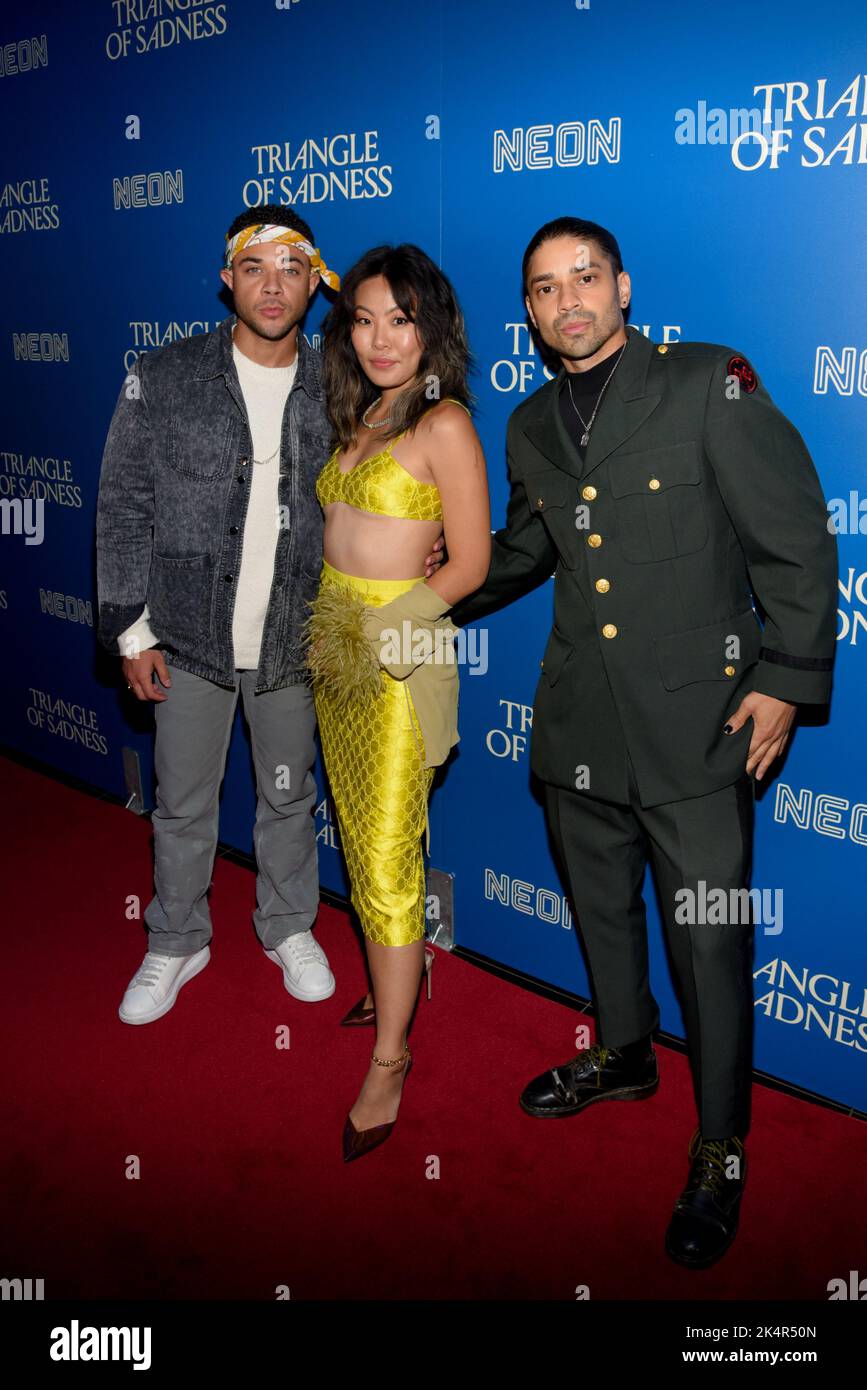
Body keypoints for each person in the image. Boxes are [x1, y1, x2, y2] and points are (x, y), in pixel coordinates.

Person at [450, 217, 837, 1266]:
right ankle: (623, 1052)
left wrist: (788, 683)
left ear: (623, 286)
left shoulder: (710, 382)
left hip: (702, 728)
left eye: (585, 277)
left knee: (708, 944)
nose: (568, 300)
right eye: (544, 288)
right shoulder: (529, 423)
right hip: (580, 720)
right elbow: (525, 550)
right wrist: (410, 590)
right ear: (527, 311)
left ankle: (722, 1143)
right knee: (603, 914)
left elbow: (795, 539)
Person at [96, 206, 442, 1026]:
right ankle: (177, 938)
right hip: (185, 635)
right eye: (255, 267)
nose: (273, 284)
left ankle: (287, 924)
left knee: (289, 796)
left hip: (298, 636)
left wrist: (416, 549)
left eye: (291, 267)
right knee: (183, 802)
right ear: (228, 280)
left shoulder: (343, 381)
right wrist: (130, 629)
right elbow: (121, 501)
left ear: (314, 283)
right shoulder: (166, 373)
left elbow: (387, 483)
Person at [306, 244, 490, 1162]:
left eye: (401, 320)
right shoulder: (367, 409)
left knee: (384, 854)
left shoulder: (443, 422)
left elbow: (469, 562)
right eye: (364, 319)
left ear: (432, 327)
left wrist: (389, 625)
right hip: (333, 646)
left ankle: (390, 1058)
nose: (380, 339)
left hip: (397, 655)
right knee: (360, 831)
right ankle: (393, 976)